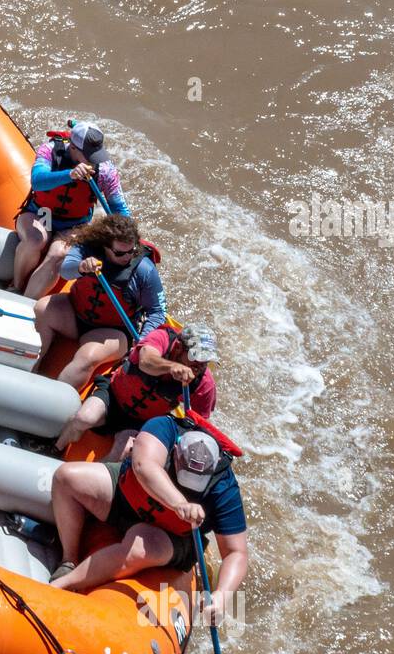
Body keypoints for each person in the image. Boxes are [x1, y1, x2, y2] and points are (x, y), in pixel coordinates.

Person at [49, 415, 248, 622]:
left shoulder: (224, 485)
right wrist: (179, 503)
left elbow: (236, 552)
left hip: (170, 534)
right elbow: (144, 466)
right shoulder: (165, 428)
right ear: (175, 451)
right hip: (126, 496)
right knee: (66, 477)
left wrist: (222, 596)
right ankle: (69, 558)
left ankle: (64, 584)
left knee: (137, 550)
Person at [33, 215, 166, 390]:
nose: (127, 257)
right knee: (41, 308)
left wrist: (142, 342)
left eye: (132, 251)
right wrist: (81, 267)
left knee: (87, 357)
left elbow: (157, 311)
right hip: (75, 313)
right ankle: (31, 371)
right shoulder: (87, 247)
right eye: (120, 253)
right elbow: (65, 271)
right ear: (105, 246)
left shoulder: (145, 270)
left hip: (112, 331)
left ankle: (51, 400)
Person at [57, 323, 219, 459]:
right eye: (195, 357)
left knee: (124, 452)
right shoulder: (161, 338)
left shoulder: (204, 384)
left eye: (205, 362)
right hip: (112, 395)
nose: (199, 366)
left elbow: (198, 425)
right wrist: (172, 367)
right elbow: (145, 361)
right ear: (178, 347)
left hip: (141, 422)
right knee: (83, 419)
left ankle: (87, 483)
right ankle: (55, 447)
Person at [12, 121, 130, 298]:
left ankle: (25, 300)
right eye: (89, 155)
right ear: (73, 148)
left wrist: (129, 237)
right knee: (35, 241)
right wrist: (69, 174)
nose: (94, 160)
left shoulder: (106, 171)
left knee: (59, 253)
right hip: (40, 214)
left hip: (75, 224)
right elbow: (37, 180)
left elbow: (118, 208)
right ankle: (16, 285)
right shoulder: (50, 150)